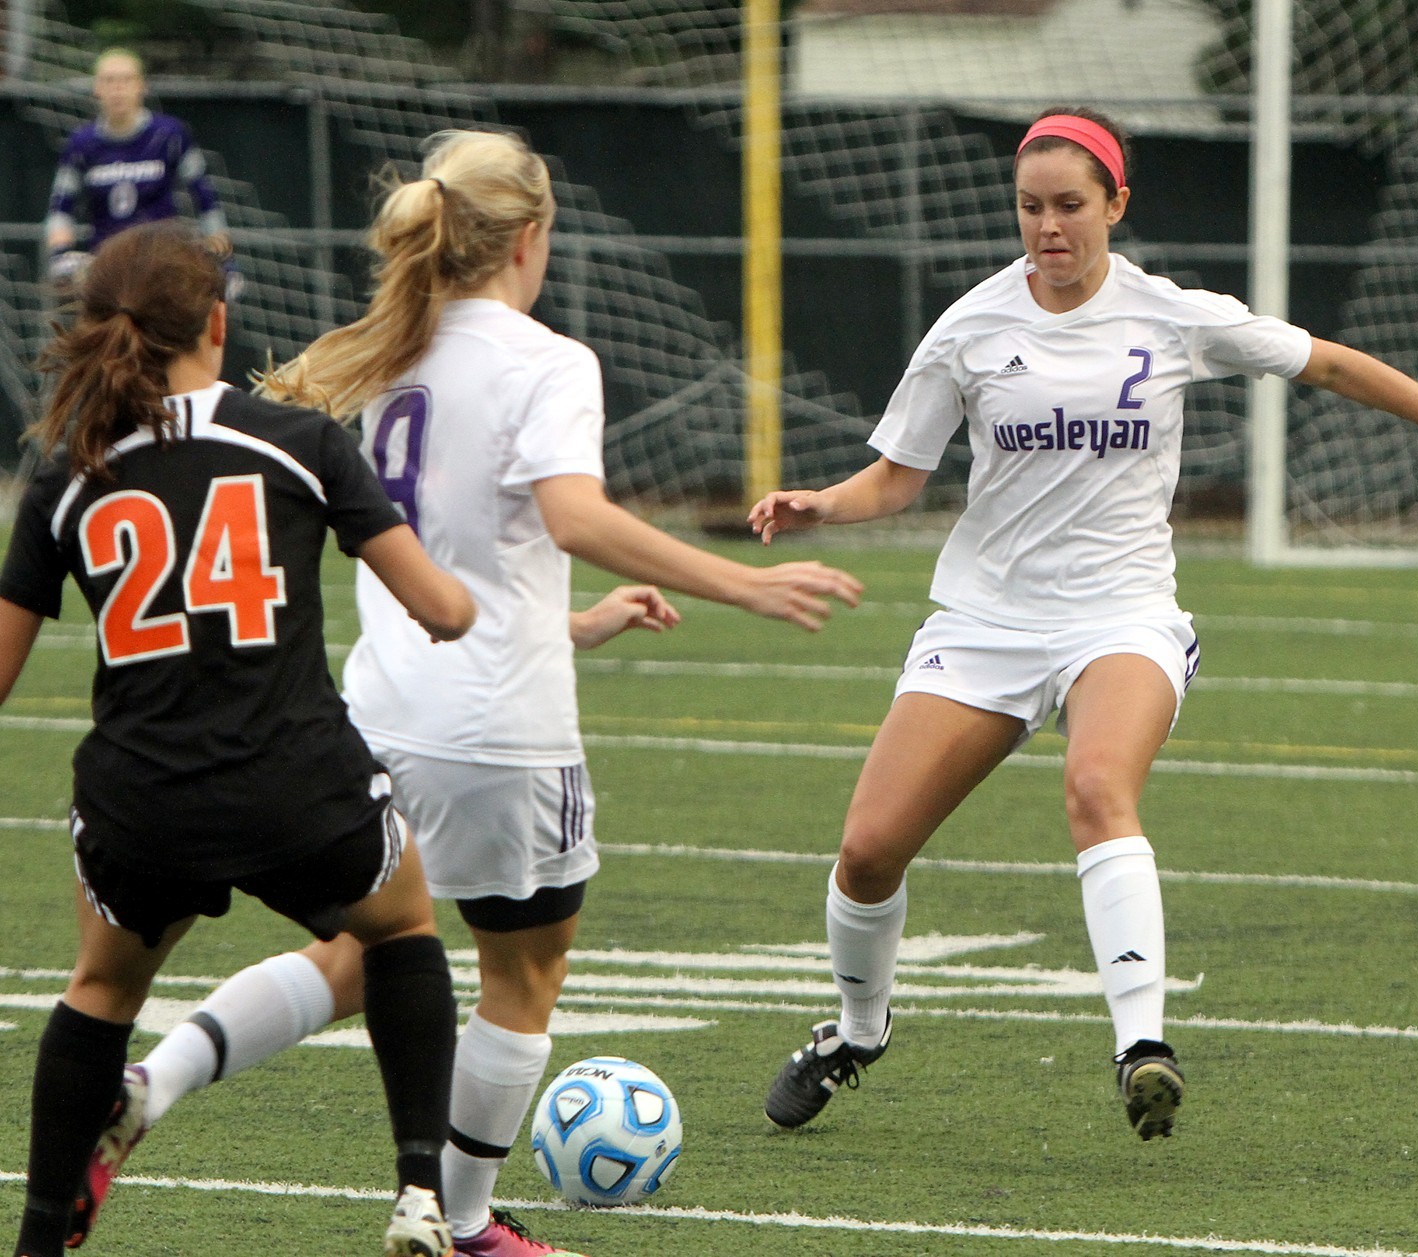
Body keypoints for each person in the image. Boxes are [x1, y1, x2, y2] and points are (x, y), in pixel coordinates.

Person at [73, 129, 864, 1257]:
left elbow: (454, 549)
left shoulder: (393, 348)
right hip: (502, 726)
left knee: (364, 957)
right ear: (531, 238)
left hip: (384, 714)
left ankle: (153, 1080)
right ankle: (463, 1221)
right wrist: (746, 582)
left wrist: (575, 620)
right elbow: (572, 517)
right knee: (521, 973)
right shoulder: (546, 361)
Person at [750, 107, 1418, 1142]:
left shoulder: (1172, 315)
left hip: (1122, 614)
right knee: (868, 852)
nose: (1049, 228)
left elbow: (1323, 362)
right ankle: (856, 1034)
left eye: (1069, 206)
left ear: (1115, 205)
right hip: (988, 619)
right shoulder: (971, 327)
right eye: (1030, 208)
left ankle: (1142, 1048)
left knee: (1097, 787)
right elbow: (897, 476)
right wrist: (824, 503)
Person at [3, 221, 478, 1257]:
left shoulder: (68, 477)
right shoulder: (299, 441)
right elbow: (439, 608)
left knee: (102, 988)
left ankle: (38, 1242)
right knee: (400, 924)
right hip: (295, 784)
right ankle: (417, 1195)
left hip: (142, 802)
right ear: (218, 322)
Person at [45, 49, 231, 290]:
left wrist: (225, 262)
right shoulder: (81, 144)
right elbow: (59, 210)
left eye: (126, 80)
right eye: (109, 81)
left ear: (141, 86)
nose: (117, 89)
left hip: (162, 265)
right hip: (106, 267)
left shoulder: (170, 135)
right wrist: (60, 256)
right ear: (96, 88)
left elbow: (207, 201)